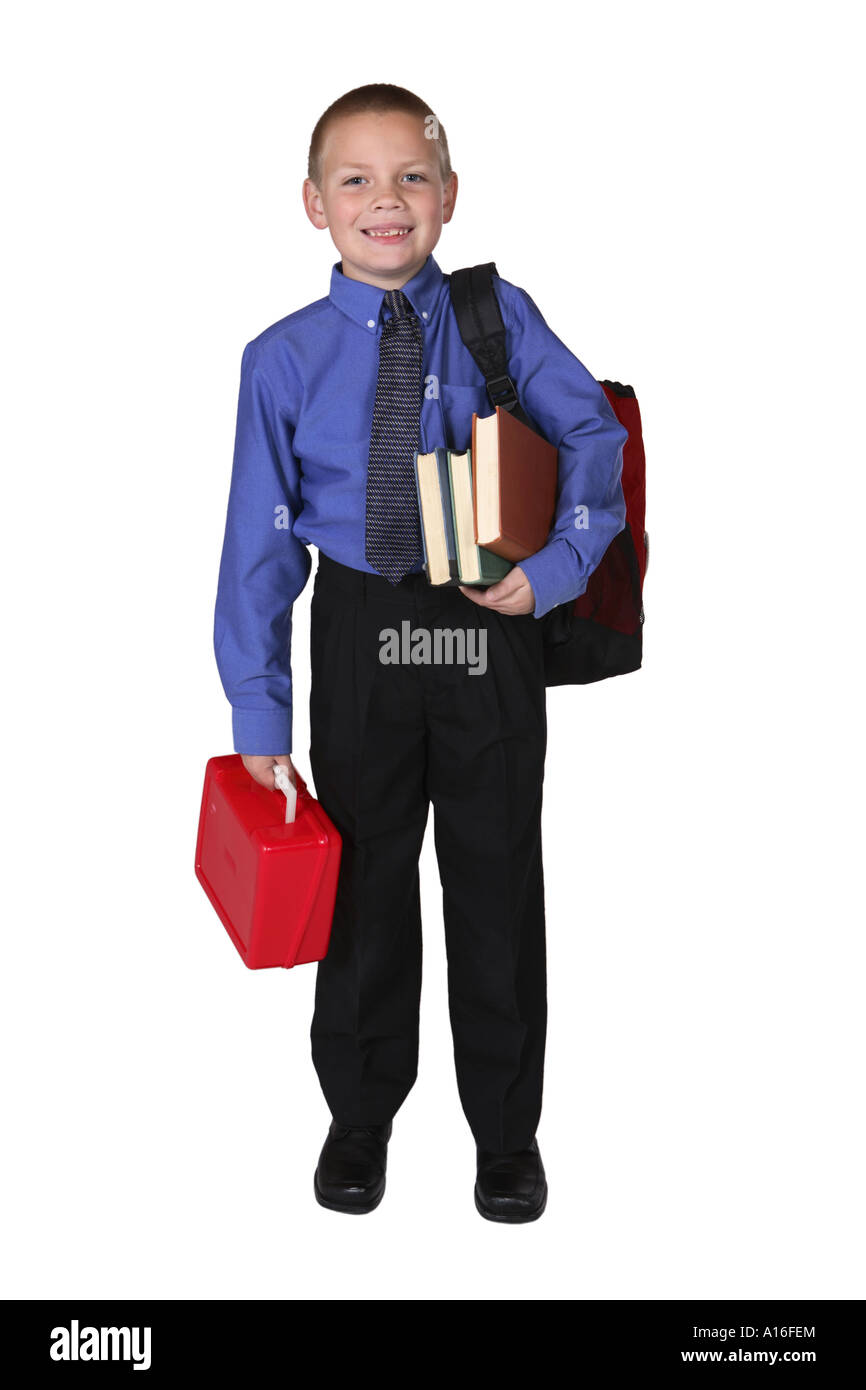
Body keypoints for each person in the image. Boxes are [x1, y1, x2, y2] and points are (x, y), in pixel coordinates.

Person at [213, 83, 629, 1222]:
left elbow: (594, 434)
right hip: (358, 626)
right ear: (312, 203)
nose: (383, 201)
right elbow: (256, 548)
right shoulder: (280, 359)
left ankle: (505, 1133)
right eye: (355, 179)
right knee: (362, 887)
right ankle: (358, 1114)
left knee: (494, 881)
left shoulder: (497, 316)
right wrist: (259, 718)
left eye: (410, 177)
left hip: (483, 621)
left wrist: (549, 572)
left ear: (448, 197)